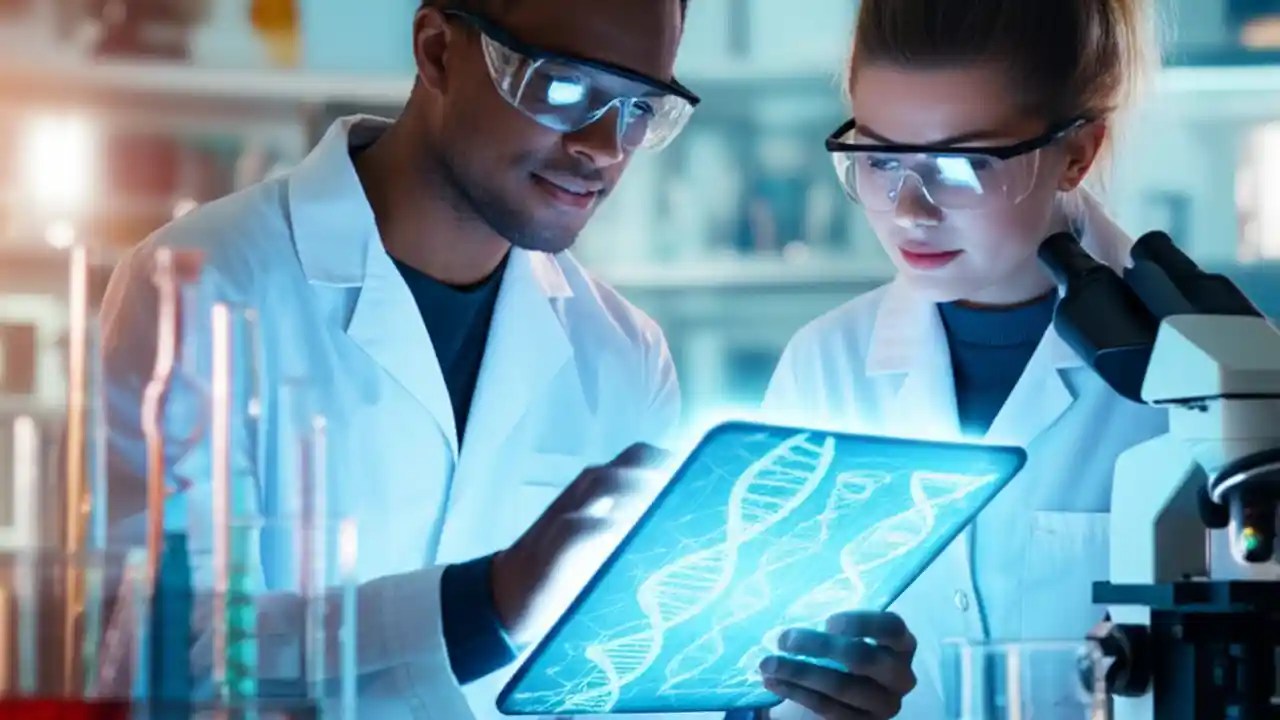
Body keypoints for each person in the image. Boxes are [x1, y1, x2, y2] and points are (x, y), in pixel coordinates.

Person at [101, 0, 914, 718]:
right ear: (438, 51)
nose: (604, 146)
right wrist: (483, 604)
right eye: (564, 87)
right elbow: (162, 652)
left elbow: (618, 690)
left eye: (639, 110)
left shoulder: (622, 350)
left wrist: (774, 694)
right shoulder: (204, 285)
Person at [762, 0, 1169, 715]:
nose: (910, 209)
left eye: (962, 163)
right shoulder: (824, 365)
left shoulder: (1205, 371)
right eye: (880, 157)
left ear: (1079, 153)